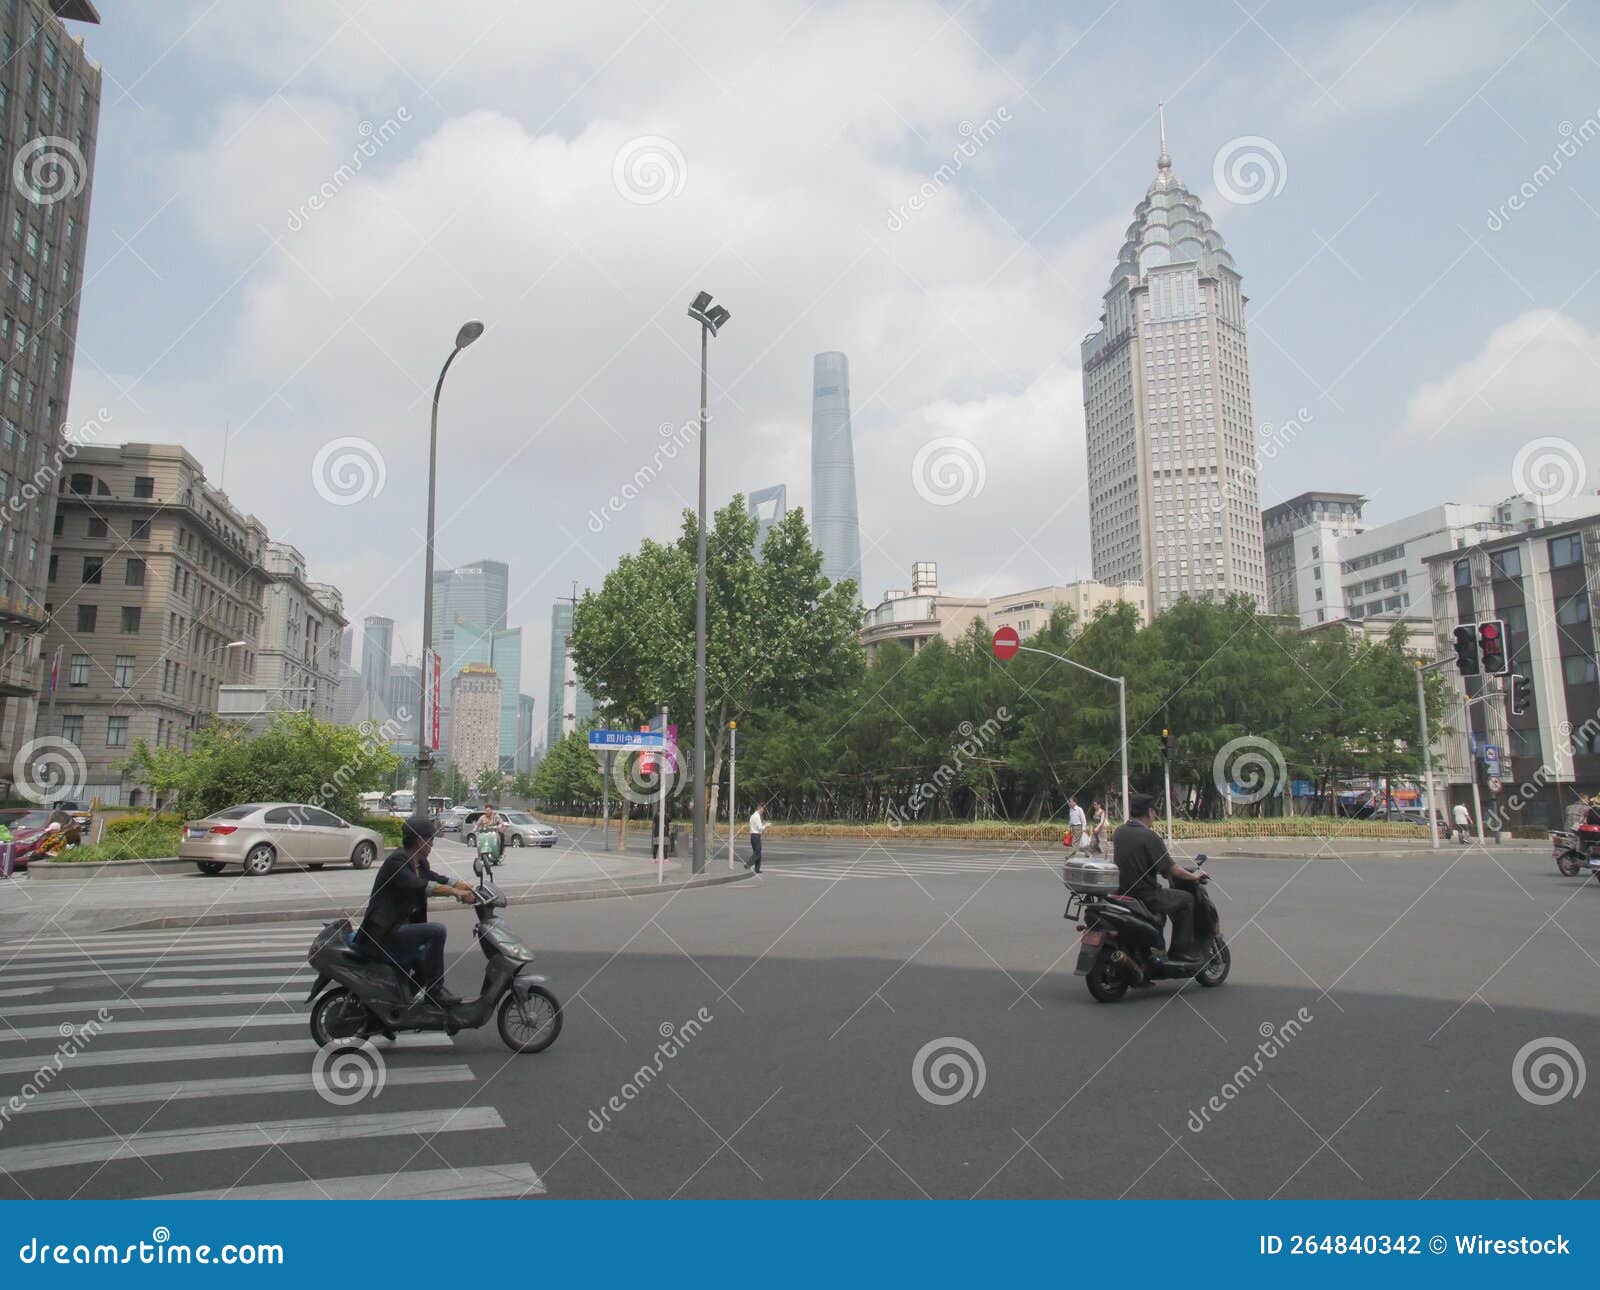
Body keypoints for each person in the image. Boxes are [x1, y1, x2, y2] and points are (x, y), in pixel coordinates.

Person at [356, 815, 475, 1006]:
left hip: (399, 927)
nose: (432, 845)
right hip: (383, 933)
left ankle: (401, 1004)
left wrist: (467, 886)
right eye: (431, 840)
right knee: (437, 931)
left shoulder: (419, 862)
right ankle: (435, 992)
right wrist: (456, 893)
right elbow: (419, 885)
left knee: (424, 966)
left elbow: (436, 878)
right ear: (421, 841)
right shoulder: (398, 861)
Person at [1111, 792, 1208, 965]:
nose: (1155, 816)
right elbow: (1171, 868)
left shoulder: (1119, 832)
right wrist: (1193, 876)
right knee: (1186, 899)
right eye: (1155, 812)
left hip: (1123, 893)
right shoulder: (1149, 836)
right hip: (1146, 895)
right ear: (1149, 812)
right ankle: (1181, 951)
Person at [745, 802, 767, 873]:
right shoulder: (757, 816)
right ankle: (748, 864)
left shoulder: (752, 816)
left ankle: (757, 869)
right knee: (757, 852)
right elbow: (760, 828)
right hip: (756, 836)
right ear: (760, 808)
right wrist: (766, 825)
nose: (763, 811)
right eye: (763, 809)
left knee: (758, 852)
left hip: (753, 835)